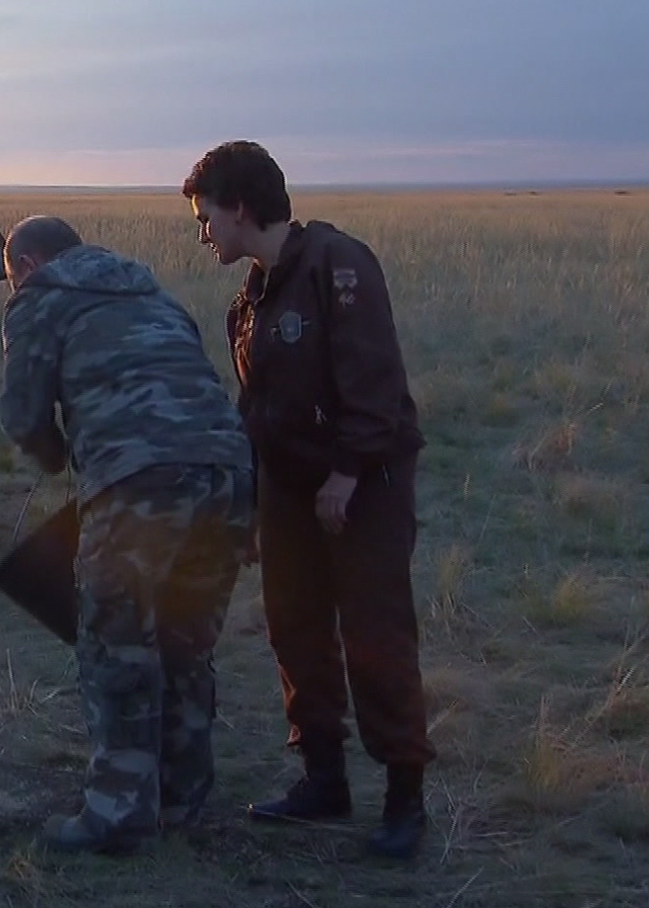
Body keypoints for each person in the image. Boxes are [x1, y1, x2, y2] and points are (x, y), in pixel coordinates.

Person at [181, 140, 434, 860]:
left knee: (376, 633)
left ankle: (404, 798)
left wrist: (348, 475)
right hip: (291, 491)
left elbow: (374, 381)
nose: (204, 233)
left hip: (365, 488)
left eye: (207, 218)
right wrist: (255, 502)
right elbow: (256, 410)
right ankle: (324, 779)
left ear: (239, 208)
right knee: (295, 630)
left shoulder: (338, 265)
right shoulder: (250, 300)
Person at [0, 215, 255, 855]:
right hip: (229, 477)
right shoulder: (152, 293)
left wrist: (57, 456)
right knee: (186, 642)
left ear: (27, 266)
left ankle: (119, 810)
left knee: (118, 647)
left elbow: (22, 415)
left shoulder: (39, 297)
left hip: (140, 485)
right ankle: (182, 796)